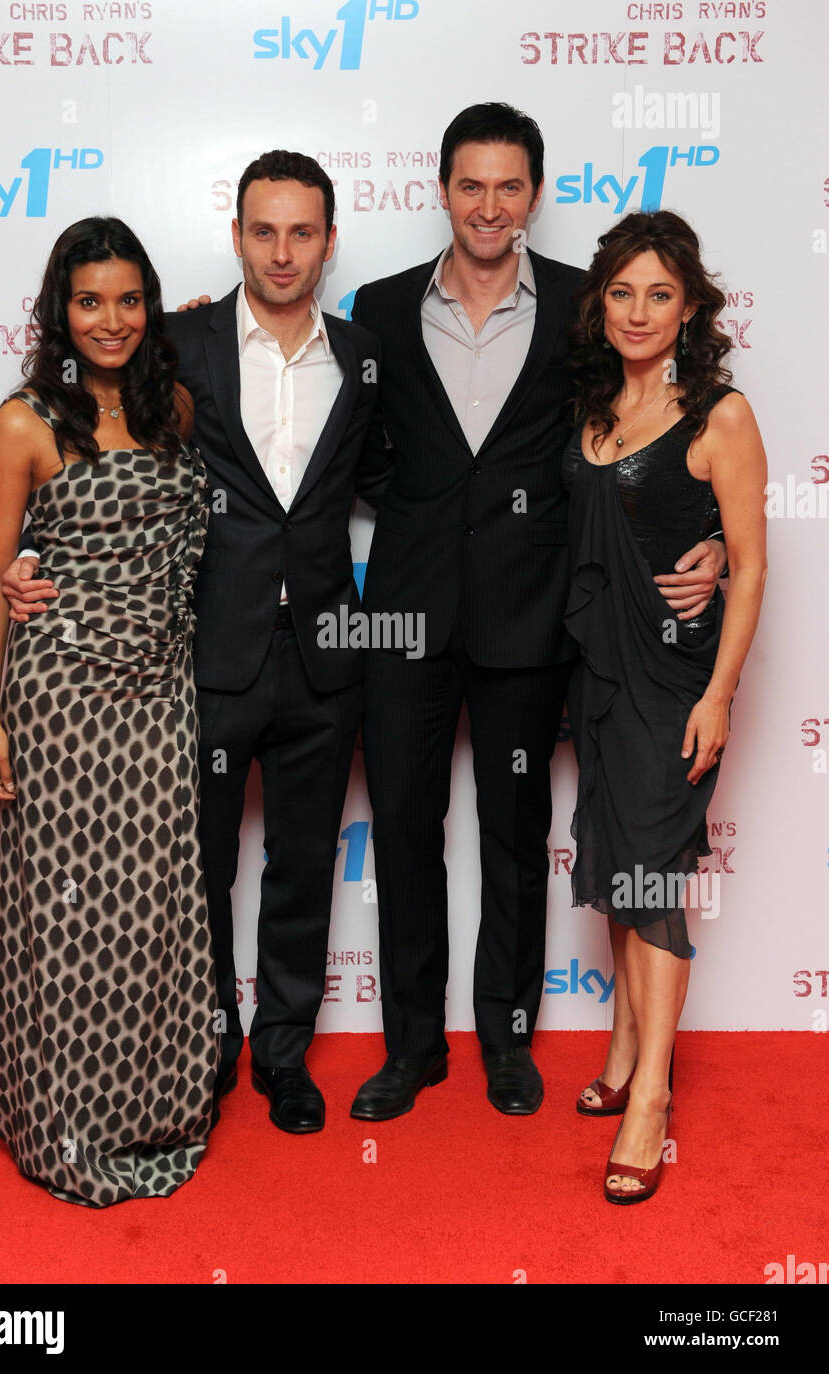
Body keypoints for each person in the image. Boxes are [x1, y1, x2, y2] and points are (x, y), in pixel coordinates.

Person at [347, 103, 728, 1122]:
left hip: (532, 617)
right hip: (404, 621)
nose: (487, 205)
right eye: (468, 184)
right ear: (440, 189)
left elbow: (636, 450)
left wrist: (721, 536)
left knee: (515, 835)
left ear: (534, 194)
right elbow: (342, 451)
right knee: (404, 834)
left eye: (507, 186)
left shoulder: (580, 307)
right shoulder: (377, 311)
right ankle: (412, 1050)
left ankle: (507, 1046)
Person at [3, 153, 390, 1135]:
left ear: (329, 242)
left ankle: (284, 1055)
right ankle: (204, 1046)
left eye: (302, 232)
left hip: (324, 656)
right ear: (236, 235)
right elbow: (86, 447)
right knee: (197, 869)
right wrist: (27, 558)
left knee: (302, 863)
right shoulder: (172, 344)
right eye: (264, 230)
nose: (282, 251)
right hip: (201, 658)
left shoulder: (363, 355)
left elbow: (408, 489)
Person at [0, 216, 220, 1207]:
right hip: (63, 700)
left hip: (162, 696)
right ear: (58, 311)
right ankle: (62, 1120)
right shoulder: (24, 421)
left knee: (152, 910)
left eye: (128, 299)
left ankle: (148, 1106)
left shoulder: (177, 409)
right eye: (88, 301)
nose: (109, 320)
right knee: (63, 919)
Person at [563, 210, 767, 1202]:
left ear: (689, 308)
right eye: (622, 292)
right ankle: (621, 1052)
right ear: (600, 304)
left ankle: (649, 1100)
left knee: (651, 880)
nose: (639, 311)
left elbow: (753, 561)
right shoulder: (591, 403)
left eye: (659, 294)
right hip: (597, 677)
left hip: (674, 683)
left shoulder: (718, 414)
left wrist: (720, 694)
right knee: (617, 868)